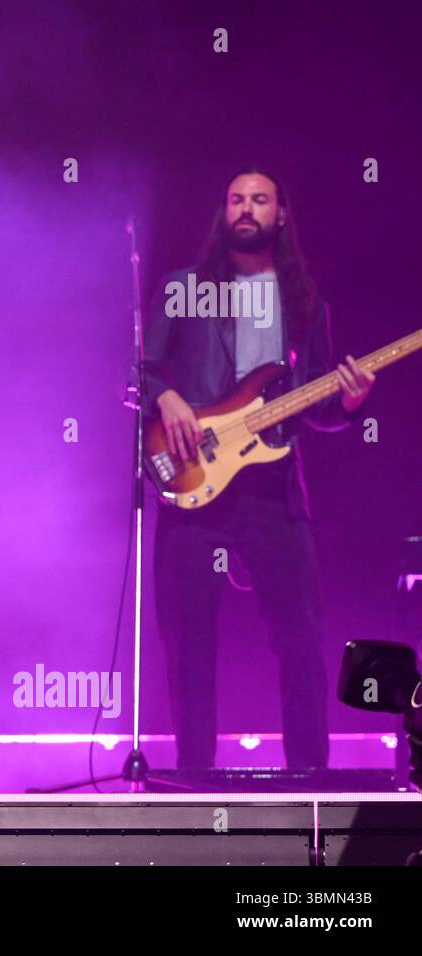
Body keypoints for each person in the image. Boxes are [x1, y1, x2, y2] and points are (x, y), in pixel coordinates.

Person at [144, 168, 375, 770]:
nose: (246, 208)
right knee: (189, 647)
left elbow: (317, 409)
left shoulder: (304, 306)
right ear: (224, 213)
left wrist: (349, 401)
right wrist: (163, 398)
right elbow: (139, 371)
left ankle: (310, 787)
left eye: (259, 199)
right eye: (235, 199)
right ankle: (194, 788)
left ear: (280, 215)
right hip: (194, 482)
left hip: (274, 494)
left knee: (301, 642)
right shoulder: (182, 288)